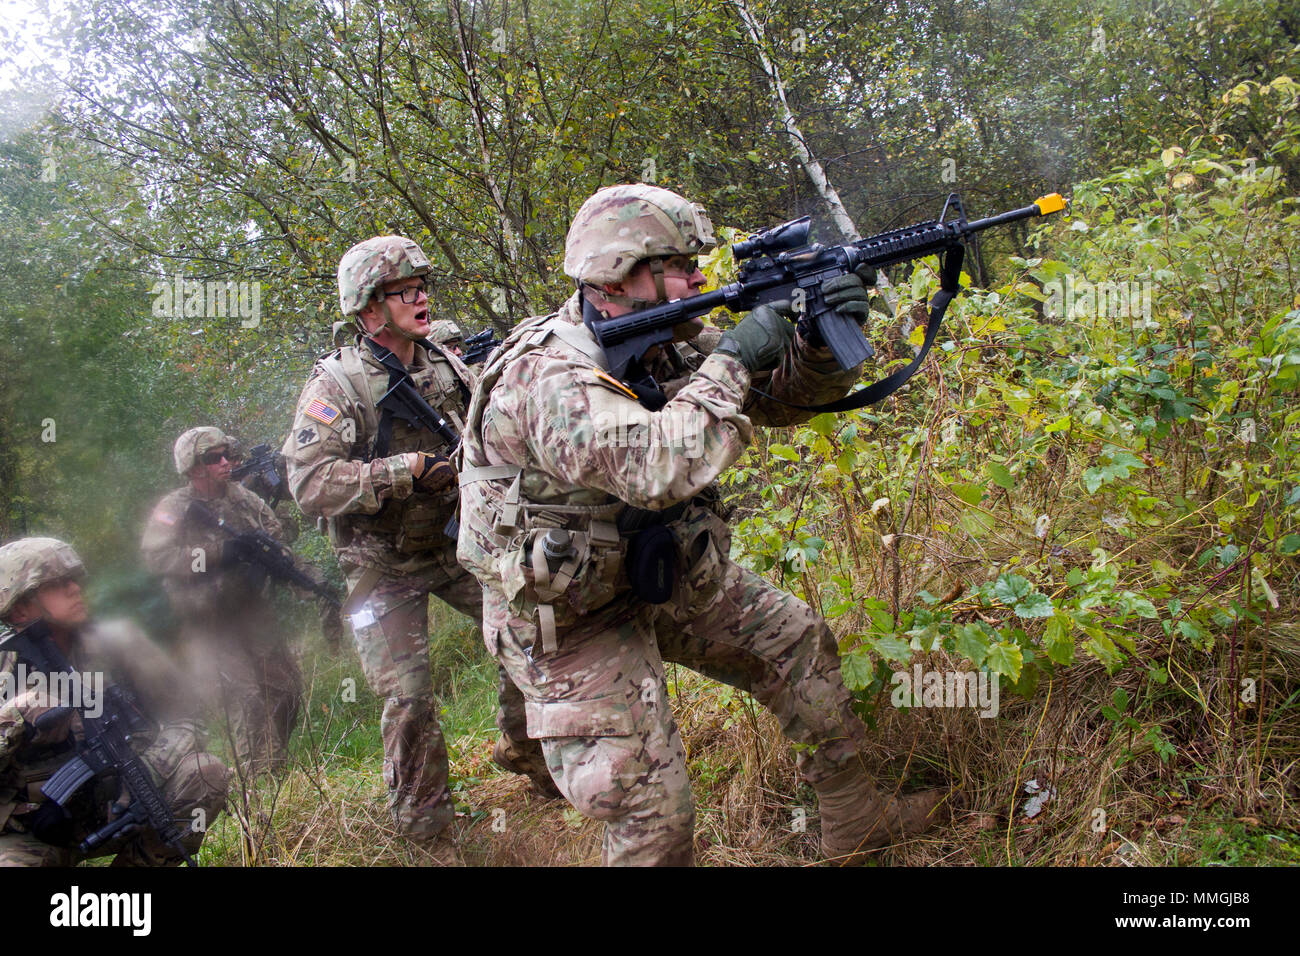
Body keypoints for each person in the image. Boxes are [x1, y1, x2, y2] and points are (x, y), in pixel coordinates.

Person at [456, 183, 950, 865]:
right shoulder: (544, 375)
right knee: (652, 815)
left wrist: (817, 344)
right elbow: (658, 466)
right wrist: (737, 355)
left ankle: (855, 819)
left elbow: (779, 403)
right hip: (566, 619)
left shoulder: (665, 333)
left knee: (796, 644)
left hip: (655, 568)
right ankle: (536, 737)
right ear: (620, 272)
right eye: (682, 265)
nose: (699, 278)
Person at [283, 236, 557, 845]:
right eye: (403, 290)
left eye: (422, 286)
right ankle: (428, 832)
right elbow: (308, 484)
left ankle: (527, 751)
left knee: (531, 625)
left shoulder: (442, 361)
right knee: (408, 700)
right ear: (369, 307)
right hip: (381, 566)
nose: (420, 297)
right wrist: (400, 471)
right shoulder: (337, 384)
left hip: (455, 542)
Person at [0, 536, 228, 865]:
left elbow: (188, 719)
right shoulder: (5, 667)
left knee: (207, 773)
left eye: (74, 579)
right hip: (30, 832)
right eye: (57, 584)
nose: (74, 589)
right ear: (20, 605)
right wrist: (16, 717)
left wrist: (146, 772)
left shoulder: (119, 645)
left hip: (114, 810)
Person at [141, 427, 303, 778]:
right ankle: (262, 786)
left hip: (251, 610)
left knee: (287, 689)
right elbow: (157, 558)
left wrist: (275, 559)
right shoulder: (173, 508)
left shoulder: (244, 499)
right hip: (207, 620)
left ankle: (276, 762)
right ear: (193, 467)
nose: (226, 462)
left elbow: (276, 536)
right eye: (214, 458)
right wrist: (218, 553)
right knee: (246, 701)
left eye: (227, 454)